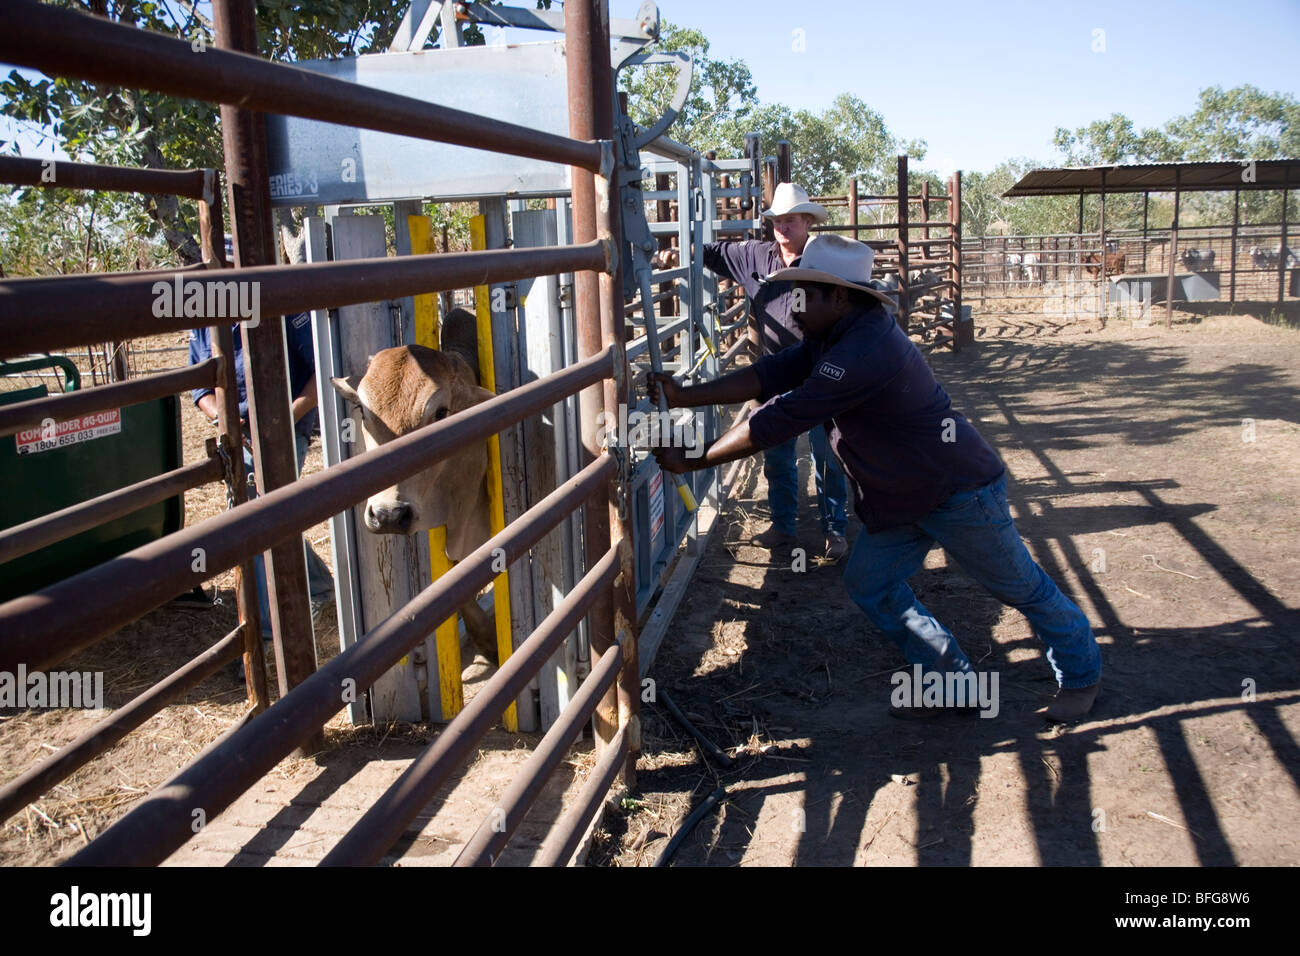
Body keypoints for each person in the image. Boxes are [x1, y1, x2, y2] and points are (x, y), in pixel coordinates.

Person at [646, 234, 1102, 721]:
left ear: (838, 296)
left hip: (955, 493)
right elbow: (773, 372)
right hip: (900, 496)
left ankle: (1080, 676)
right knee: (870, 584)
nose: (791, 306)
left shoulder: (864, 350)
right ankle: (951, 682)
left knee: (1020, 588)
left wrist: (695, 459)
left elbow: (785, 415)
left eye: (802, 294)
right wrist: (686, 396)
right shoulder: (836, 333)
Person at [671, 182, 850, 560]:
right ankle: (784, 525)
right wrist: (672, 252)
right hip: (777, 373)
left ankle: (835, 528)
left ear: (807, 223)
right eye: (778, 221)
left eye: (791, 221)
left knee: (828, 452)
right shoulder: (754, 256)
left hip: (821, 371)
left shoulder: (824, 262)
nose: (783, 228)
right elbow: (712, 253)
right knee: (777, 451)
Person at [189, 310, 335, 646]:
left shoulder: (282, 306)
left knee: (253, 520)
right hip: (236, 435)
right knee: (268, 514)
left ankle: (267, 636)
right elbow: (200, 387)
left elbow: (320, 369)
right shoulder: (204, 318)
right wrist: (222, 418)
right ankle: (317, 585)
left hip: (282, 431)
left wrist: (281, 419)